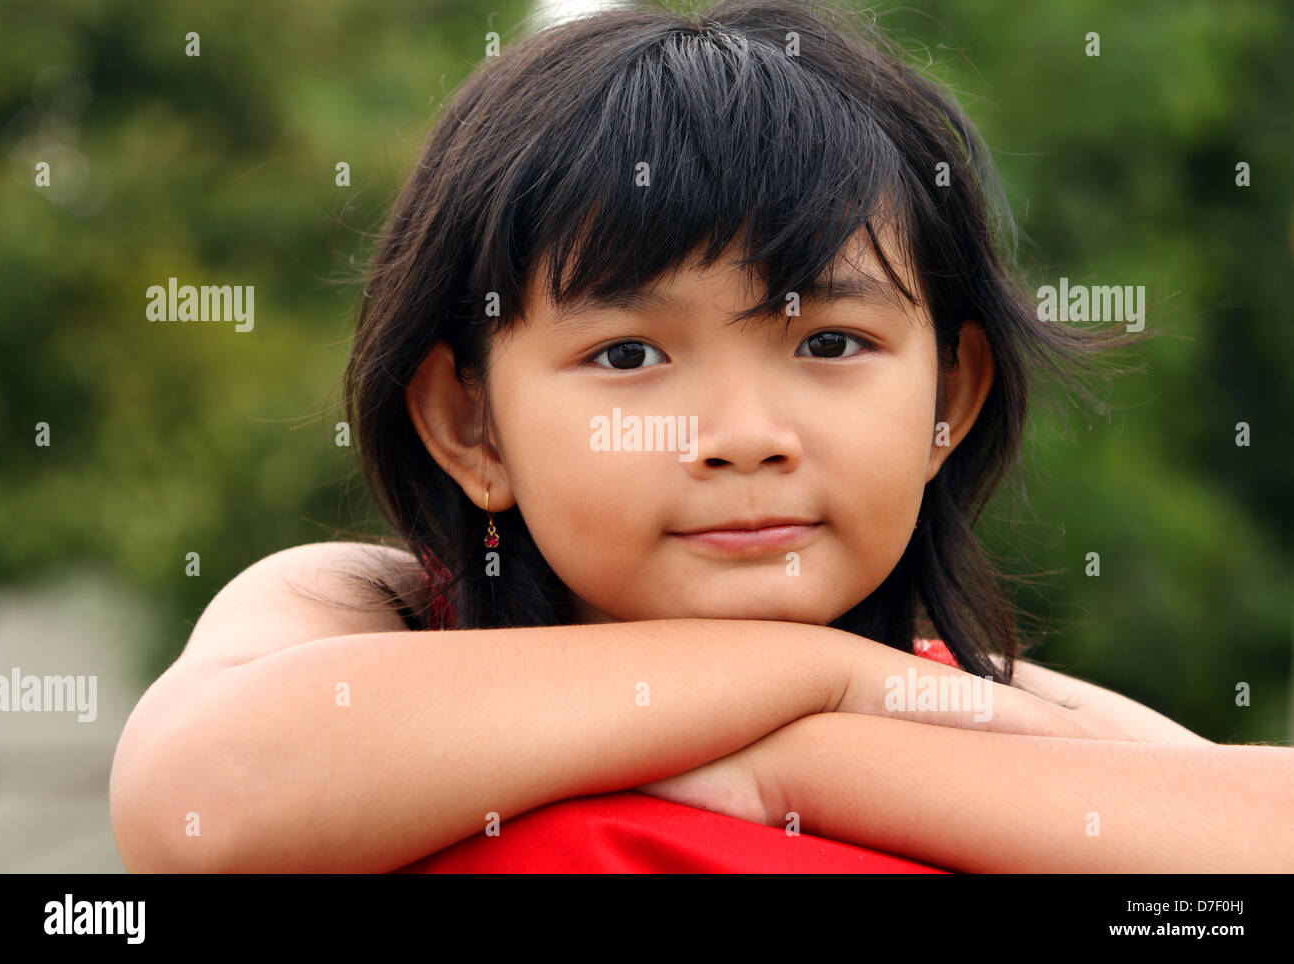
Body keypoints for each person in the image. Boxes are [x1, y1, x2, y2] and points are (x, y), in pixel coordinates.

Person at [109, 0, 1290, 873]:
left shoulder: (958, 697)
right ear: (471, 423)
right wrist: (819, 679)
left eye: (828, 343)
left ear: (950, 398)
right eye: (627, 355)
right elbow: (200, 805)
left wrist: (796, 766)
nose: (741, 437)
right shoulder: (367, 612)